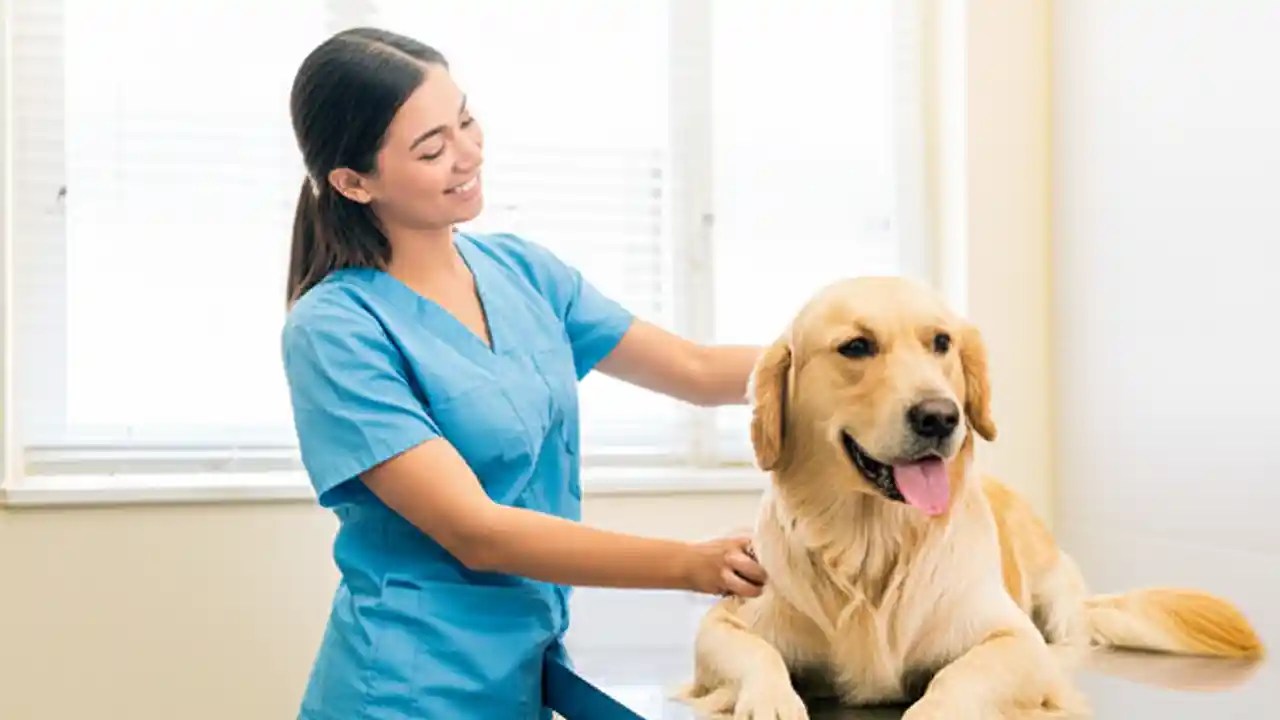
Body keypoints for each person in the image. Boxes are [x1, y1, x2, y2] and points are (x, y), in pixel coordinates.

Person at [280, 27, 768, 720]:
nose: (468, 154)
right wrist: (692, 564)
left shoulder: (523, 272)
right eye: (432, 148)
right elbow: (477, 531)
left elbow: (695, 370)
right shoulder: (336, 330)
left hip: (523, 672)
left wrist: (870, 357)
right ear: (354, 182)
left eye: (466, 121)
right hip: (406, 689)